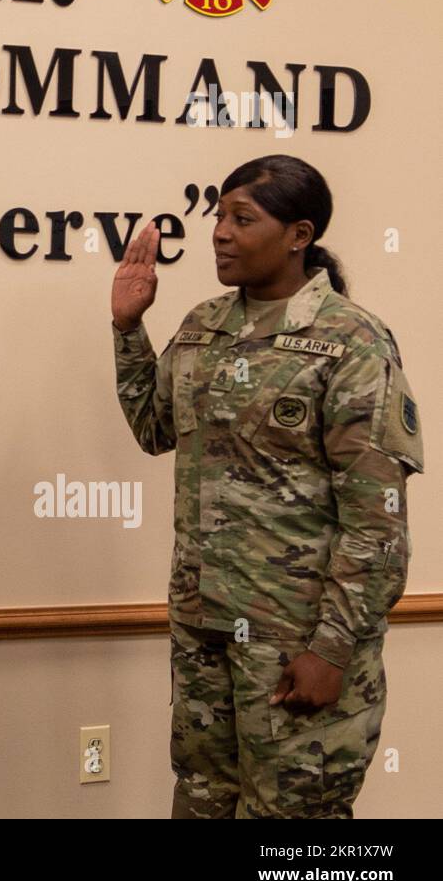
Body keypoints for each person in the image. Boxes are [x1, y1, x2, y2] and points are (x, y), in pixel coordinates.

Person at [110, 154, 423, 818]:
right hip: (205, 634)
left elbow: (378, 522)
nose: (219, 232)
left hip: (295, 643)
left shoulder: (351, 342)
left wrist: (331, 649)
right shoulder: (203, 327)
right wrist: (127, 328)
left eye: (241, 218)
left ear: (299, 235)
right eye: (218, 215)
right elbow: (153, 428)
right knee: (204, 807)